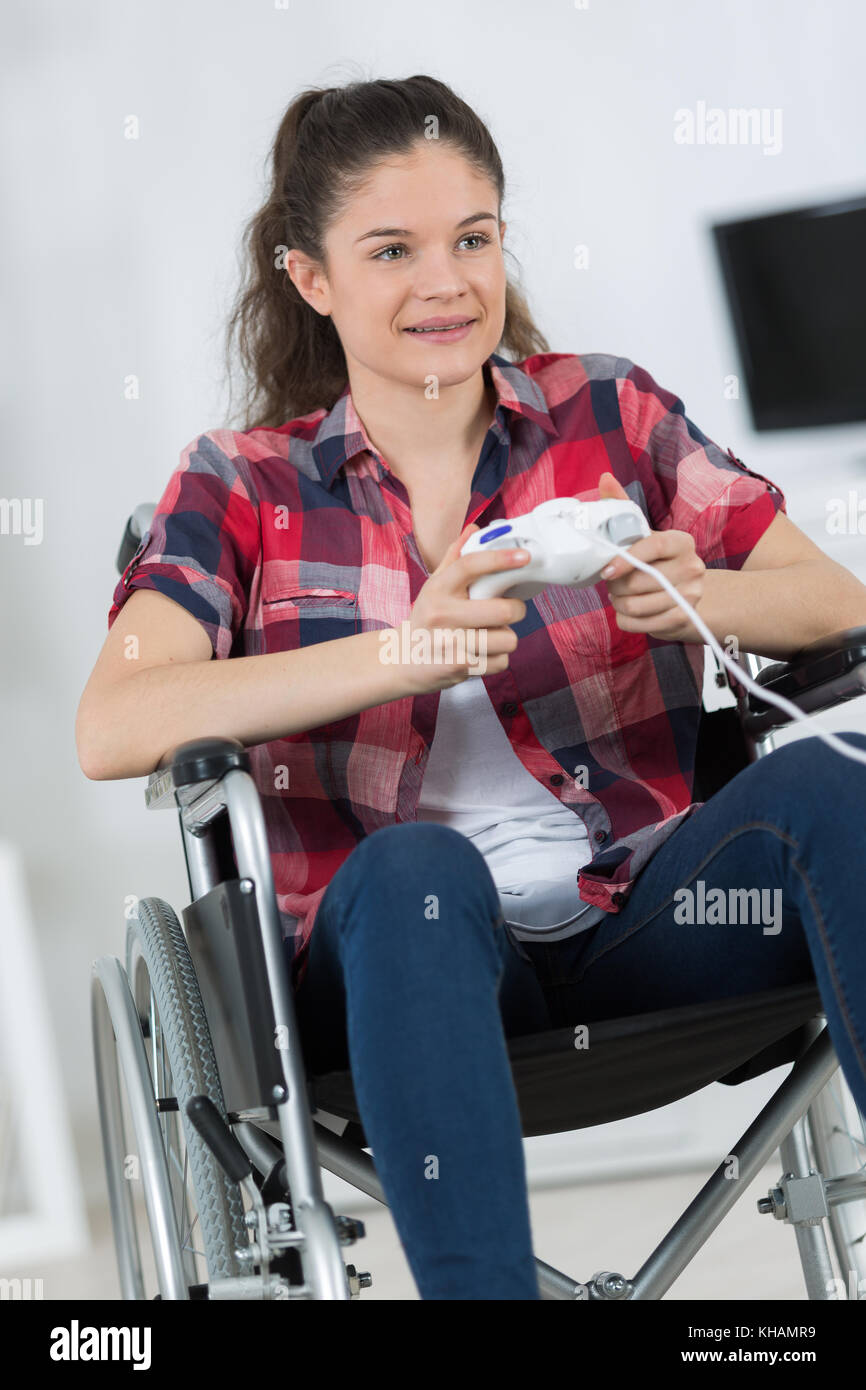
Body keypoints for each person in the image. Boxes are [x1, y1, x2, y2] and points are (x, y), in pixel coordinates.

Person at [76, 74, 866, 1301]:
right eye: (392, 249)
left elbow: (833, 601)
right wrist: (406, 646)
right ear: (310, 277)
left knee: (830, 782)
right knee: (414, 871)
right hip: (401, 964)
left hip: (640, 921)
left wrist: (702, 597)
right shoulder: (244, 484)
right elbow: (114, 722)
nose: (446, 283)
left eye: (472, 239)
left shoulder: (603, 411)